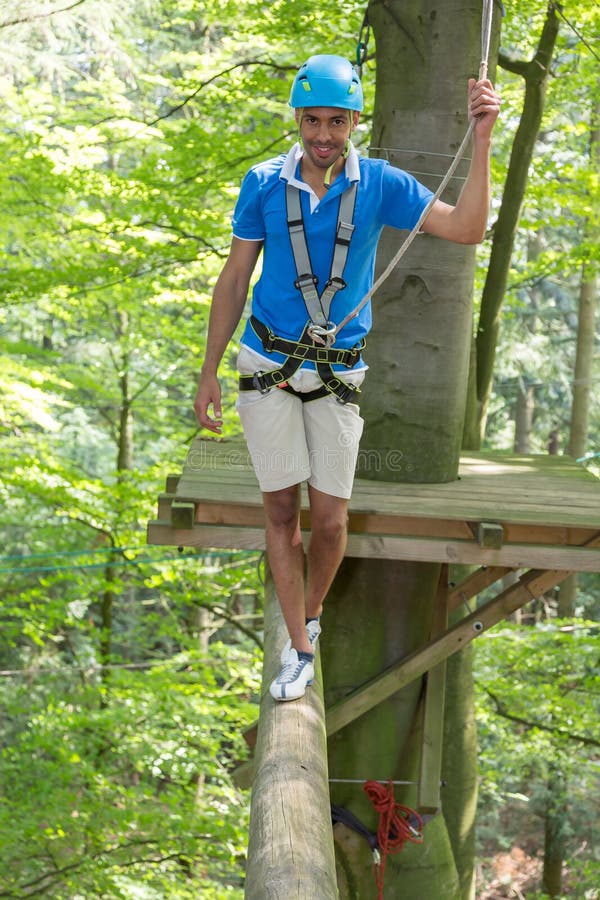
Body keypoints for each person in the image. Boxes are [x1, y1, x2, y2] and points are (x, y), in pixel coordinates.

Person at [194, 54, 500, 702]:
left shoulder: (381, 185)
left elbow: (467, 227)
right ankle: (300, 647)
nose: (324, 136)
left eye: (336, 121)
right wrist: (209, 369)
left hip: (336, 373)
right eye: (313, 121)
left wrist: (482, 137)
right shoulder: (263, 184)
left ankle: (310, 611)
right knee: (281, 509)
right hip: (267, 364)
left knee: (331, 521)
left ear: (355, 121)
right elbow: (233, 277)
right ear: (298, 120)